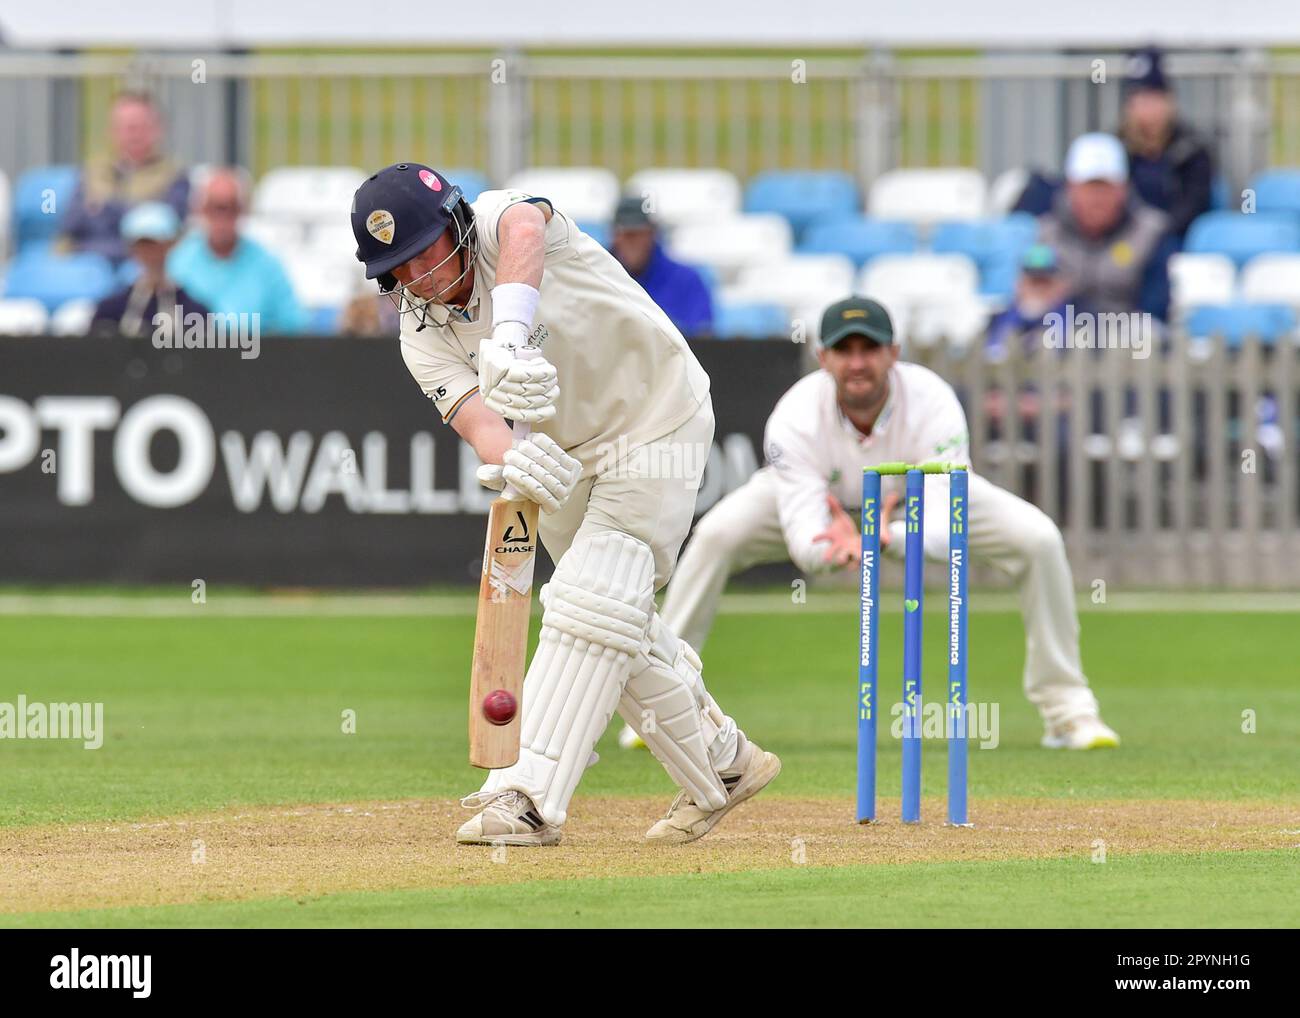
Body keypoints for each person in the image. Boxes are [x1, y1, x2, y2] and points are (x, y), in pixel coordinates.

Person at [349, 163, 779, 846]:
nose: (421, 277)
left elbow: (527, 222)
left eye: (427, 251)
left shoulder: (499, 221)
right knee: (614, 622)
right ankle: (725, 762)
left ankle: (525, 795)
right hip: (566, 462)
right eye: (400, 269)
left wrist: (511, 334)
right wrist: (512, 458)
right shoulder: (419, 336)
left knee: (586, 600)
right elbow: (481, 426)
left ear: (457, 225)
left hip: (654, 415)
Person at [644, 297, 1120, 751]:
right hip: (820, 506)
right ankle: (666, 707)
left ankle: (1069, 713)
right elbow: (805, 537)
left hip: (915, 506)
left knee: (1038, 539)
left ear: (893, 352)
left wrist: (882, 537)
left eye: (869, 348)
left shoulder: (933, 400)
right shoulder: (794, 415)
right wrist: (833, 550)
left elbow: (942, 527)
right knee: (715, 536)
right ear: (822, 357)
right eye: (844, 350)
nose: (857, 363)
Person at [1037, 132, 1176, 321]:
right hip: (1062, 334)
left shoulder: (1152, 233)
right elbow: (1031, 301)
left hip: (1129, 338)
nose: (1097, 199)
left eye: (1106, 188)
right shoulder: (1046, 234)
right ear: (1070, 188)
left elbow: (1156, 308)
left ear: (1124, 188)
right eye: (1089, 188)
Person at [168, 168, 307, 334]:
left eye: (231, 208)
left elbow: (293, 324)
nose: (223, 218)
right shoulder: (178, 262)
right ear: (201, 210)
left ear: (243, 211)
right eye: (215, 208)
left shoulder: (267, 265)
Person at [59, 92, 191, 265]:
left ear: (158, 130)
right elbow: (71, 224)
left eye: (140, 127)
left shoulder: (174, 176)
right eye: (126, 127)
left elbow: (163, 229)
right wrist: (135, 210)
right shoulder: (92, 172)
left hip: (143, 264)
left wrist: (103, 208)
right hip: (87, 261)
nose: (134, 135)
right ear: (111, 132)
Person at [1117, 47, 1214, 240]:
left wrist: (1156, 232)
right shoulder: (1115, 148)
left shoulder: (1192, 149)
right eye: (1140, 99)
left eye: (1154, 98)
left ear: (1169, 102)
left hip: (1177, 240)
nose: (1147, 108)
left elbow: (1195, 205)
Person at [89, 202, 209, 337]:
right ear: (132, 249)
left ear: (171, 245)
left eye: (156, 245)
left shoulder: (194, 312)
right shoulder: (110, 311)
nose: (151, 254)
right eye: (143, 246)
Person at [609, 196, 713, 337]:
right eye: (626, 235)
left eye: (638, 234)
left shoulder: (686, 281)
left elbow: (702, 339)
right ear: (615, 237)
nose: (632, 243)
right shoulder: (598, 276)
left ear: (652, 234)